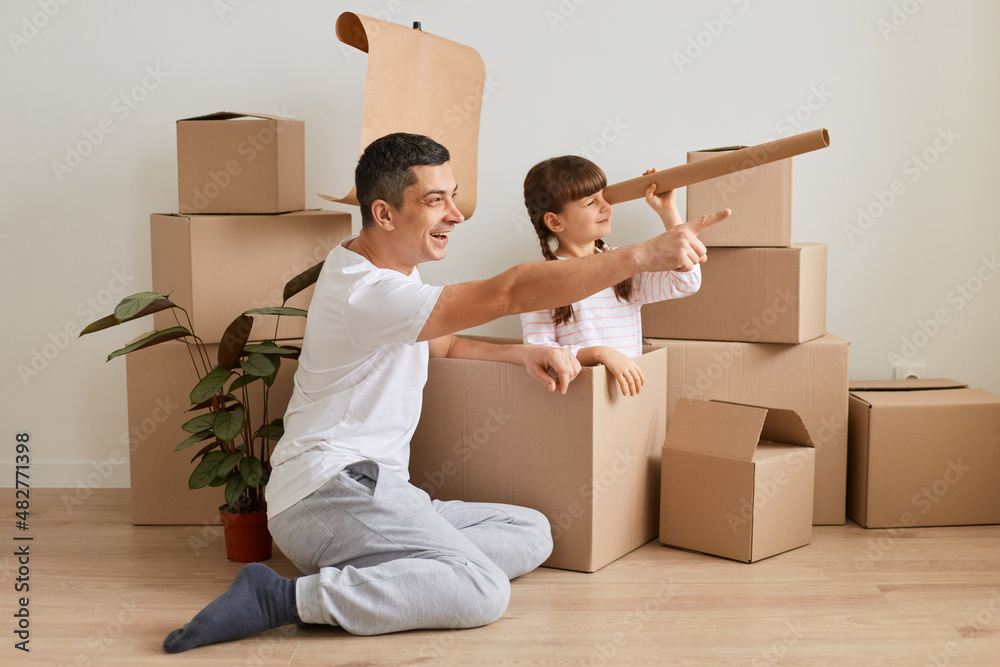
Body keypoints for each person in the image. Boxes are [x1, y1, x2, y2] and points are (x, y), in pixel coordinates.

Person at [162, 133, 730, 653]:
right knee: (483, 592)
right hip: (328, 492)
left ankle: (416, 570)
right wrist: (640, 254)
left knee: (532, 533)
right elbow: (510, 291)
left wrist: (517, 353)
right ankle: (279, 598)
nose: (456, 215)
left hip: (381, 490)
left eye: (453, 197)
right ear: (383, 212)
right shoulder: (366, 291)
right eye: (437, 201)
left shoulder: (392, 275)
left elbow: (444, 347)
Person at [520, 156, 706, 398]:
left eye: (604, 197)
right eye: (590, 202)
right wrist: (600, 353)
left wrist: (669, 213)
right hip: (579, 399)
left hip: (627, 396)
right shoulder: (539, 281)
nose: (606, 207)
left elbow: (685, 283)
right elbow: (540, 352)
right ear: (555, 221)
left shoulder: (624, 261)